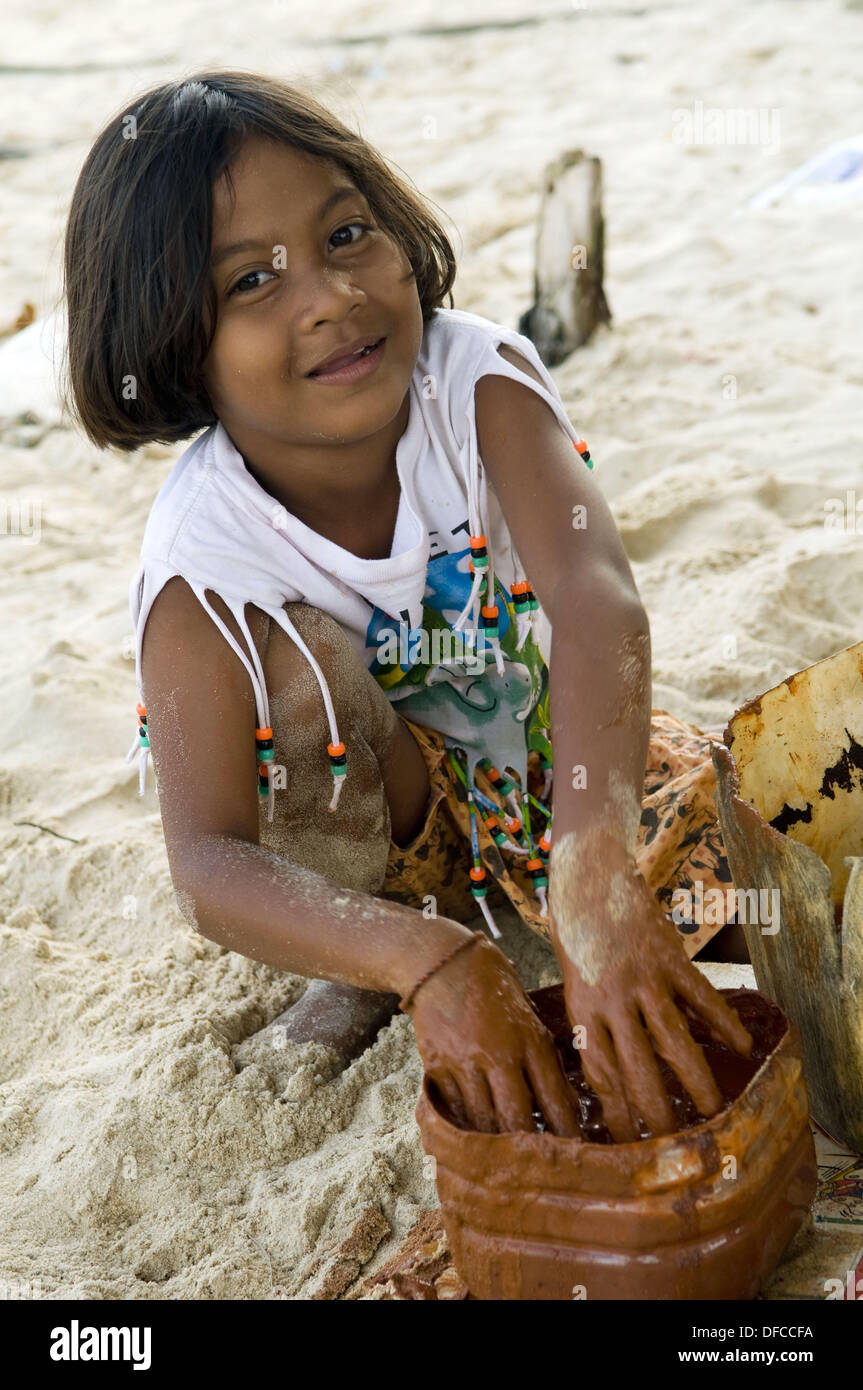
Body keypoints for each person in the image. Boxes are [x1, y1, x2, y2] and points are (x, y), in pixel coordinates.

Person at [63, 70, 752, 1144]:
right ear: (171, 343)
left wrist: (594, 866)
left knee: (749, 899)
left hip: (539, 764)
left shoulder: (471, 381)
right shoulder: (203, 558)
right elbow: (207, 863)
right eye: (251, 282)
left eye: (346, 235)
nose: (329, 295)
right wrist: (417, 956)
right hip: (370, 837)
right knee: (294, 677)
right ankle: (375, 946)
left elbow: (594, 600)